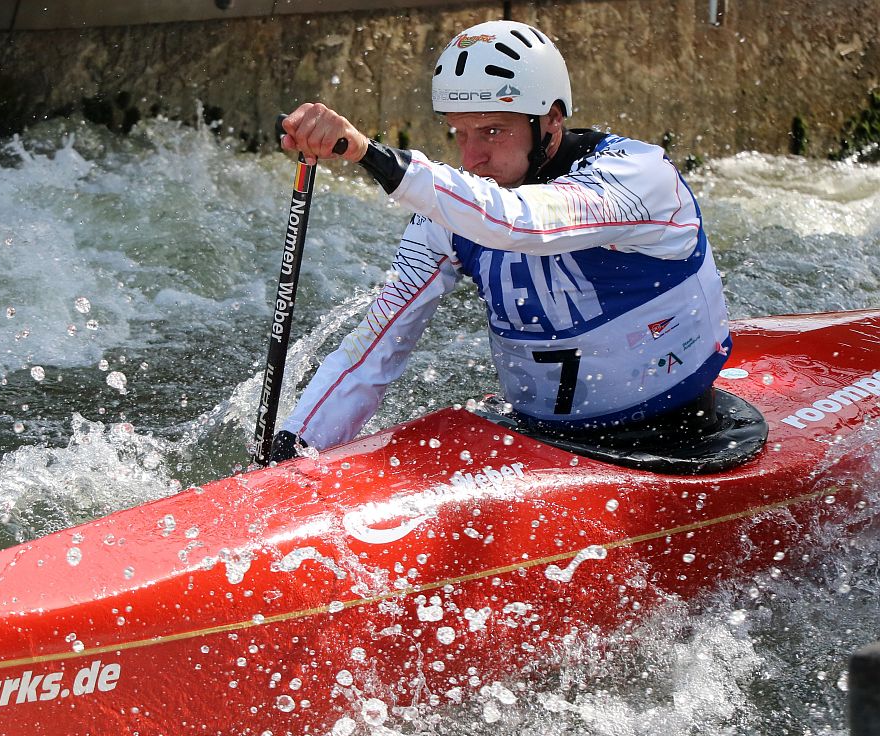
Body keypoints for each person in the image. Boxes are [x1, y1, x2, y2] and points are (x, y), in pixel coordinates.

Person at [270, 19, 731, 462]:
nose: (472, 157)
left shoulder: (639, 177)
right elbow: (374, 347)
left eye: (493, 131)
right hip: (537, 441)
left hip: (676, 439)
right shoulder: (450, 214)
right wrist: (294, 447)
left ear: (550, 119)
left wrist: (367, 153)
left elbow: (523, 223)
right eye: (460, 132)